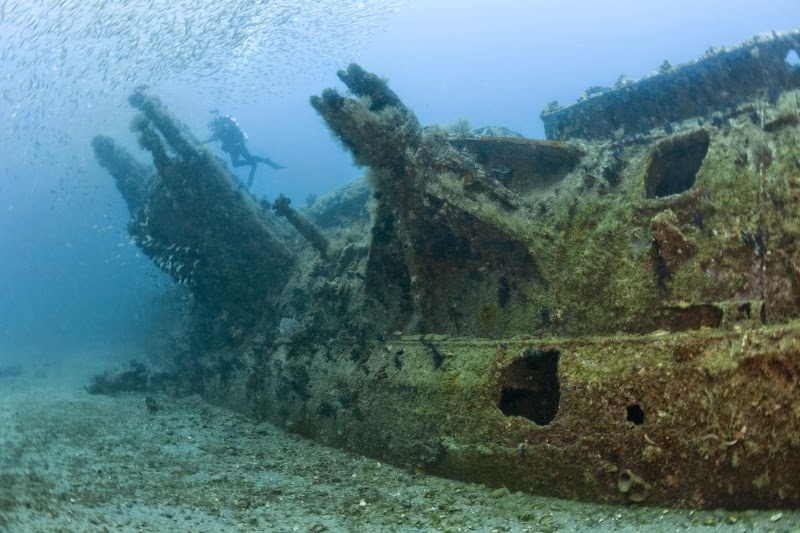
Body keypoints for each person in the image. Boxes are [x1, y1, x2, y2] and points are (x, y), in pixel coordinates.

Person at [202, 110, 285, 188]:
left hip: (238, 145)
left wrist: (202, 142)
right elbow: (210, 139)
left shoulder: (223, 127)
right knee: (237, 163)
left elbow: (212, 139)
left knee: (247, 159)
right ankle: (258, 162)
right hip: (233, 149)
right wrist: (203, 142)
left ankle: (262, 161)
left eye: (213, 127)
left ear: (216, 125)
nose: (212, 129)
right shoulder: (218, 132)